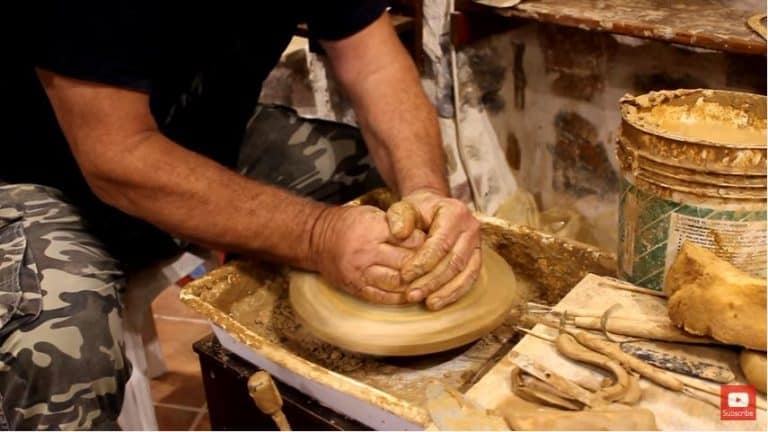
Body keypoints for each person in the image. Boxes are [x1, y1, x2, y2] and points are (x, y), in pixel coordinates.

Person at [0, 1, 481, 429]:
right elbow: (116, 157)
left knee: (370, 187)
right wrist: (317, 235)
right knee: (59, 348)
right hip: (37, 174)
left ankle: (306, 394)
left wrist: (424, 195)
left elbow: (375, 66)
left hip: (197, 134)